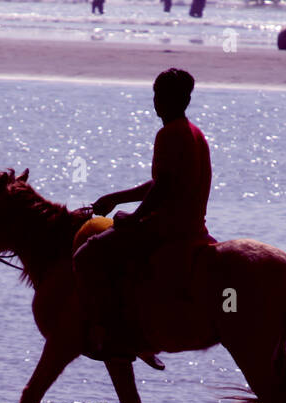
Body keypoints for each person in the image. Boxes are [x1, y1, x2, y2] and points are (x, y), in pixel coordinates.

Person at [74, 68, 212, 366]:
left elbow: (164, 187)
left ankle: (113, 335)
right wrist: (116, 198)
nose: (157, 102)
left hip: (167, 228)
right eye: (157, 95)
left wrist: (135, 219)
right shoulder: (194, 133)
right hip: (194, 226)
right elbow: (163, 181)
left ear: (180, 100)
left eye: (162, 96)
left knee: (86, 257)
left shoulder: (169, 134)